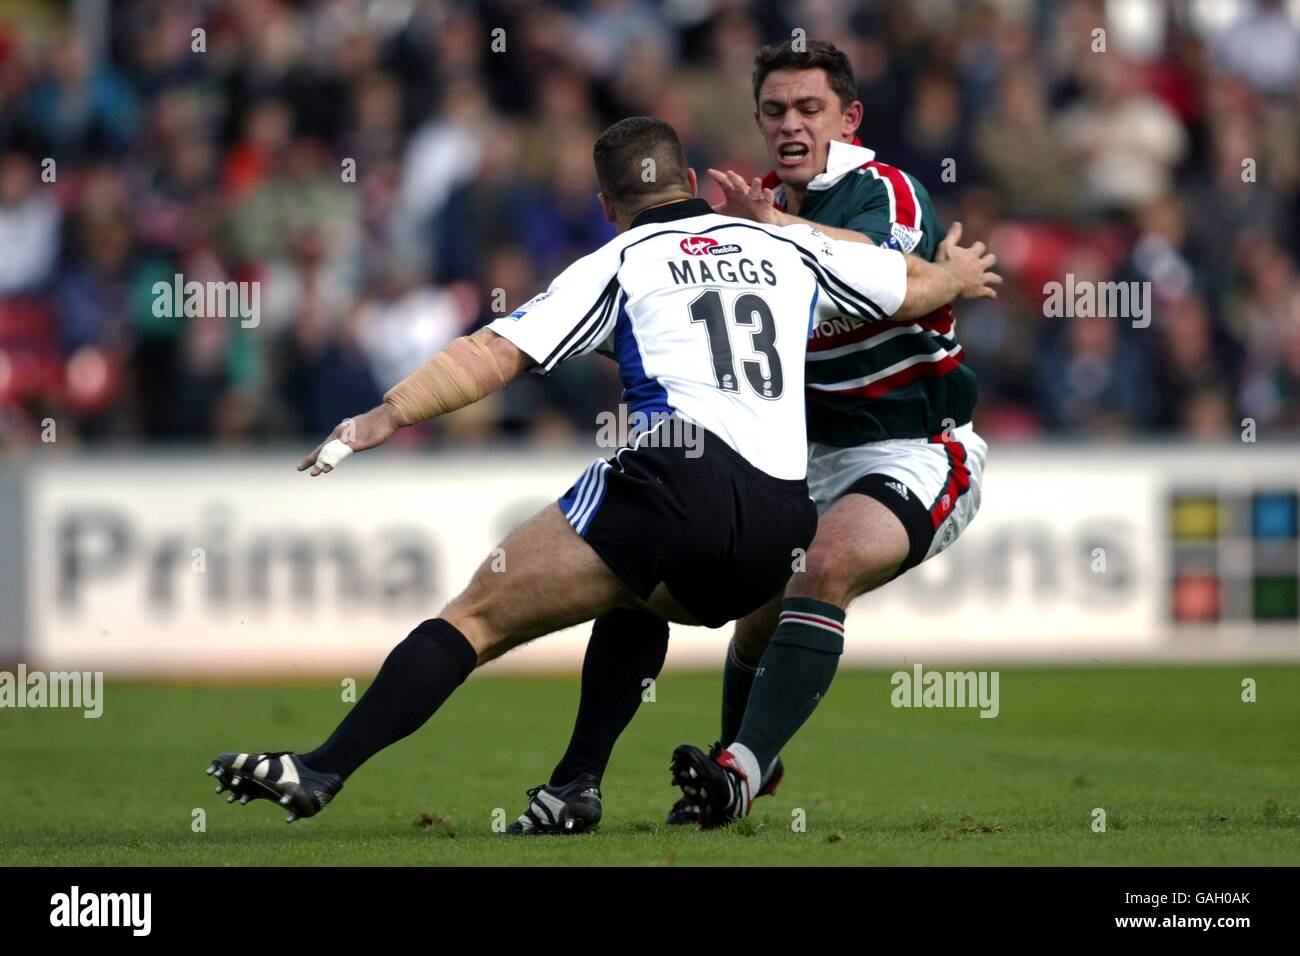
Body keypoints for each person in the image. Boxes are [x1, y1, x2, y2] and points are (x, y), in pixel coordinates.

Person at [203, 115, 999, 826]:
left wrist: (383, 416)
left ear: (605, 204)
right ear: (691, 183)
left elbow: (495, 353)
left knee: (476, 618)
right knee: (634, 590)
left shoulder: (620, 259)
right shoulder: (784, 244)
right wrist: (958, 277)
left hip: (675, 487)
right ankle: (578, 784)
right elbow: (905, 286)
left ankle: (320, 770)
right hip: (779, 530)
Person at [514, 39, 994, 832]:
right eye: (774, 111)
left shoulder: (886, 193)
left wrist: (773, 226)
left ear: (851, 118)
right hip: (797, 460)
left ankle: (737, 767)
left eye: (810, 109)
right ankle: (596, 781)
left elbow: (884, 272)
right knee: (672, 582)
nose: (791, 125)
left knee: (826, 566)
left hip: (915, 448)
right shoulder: (757, 207)